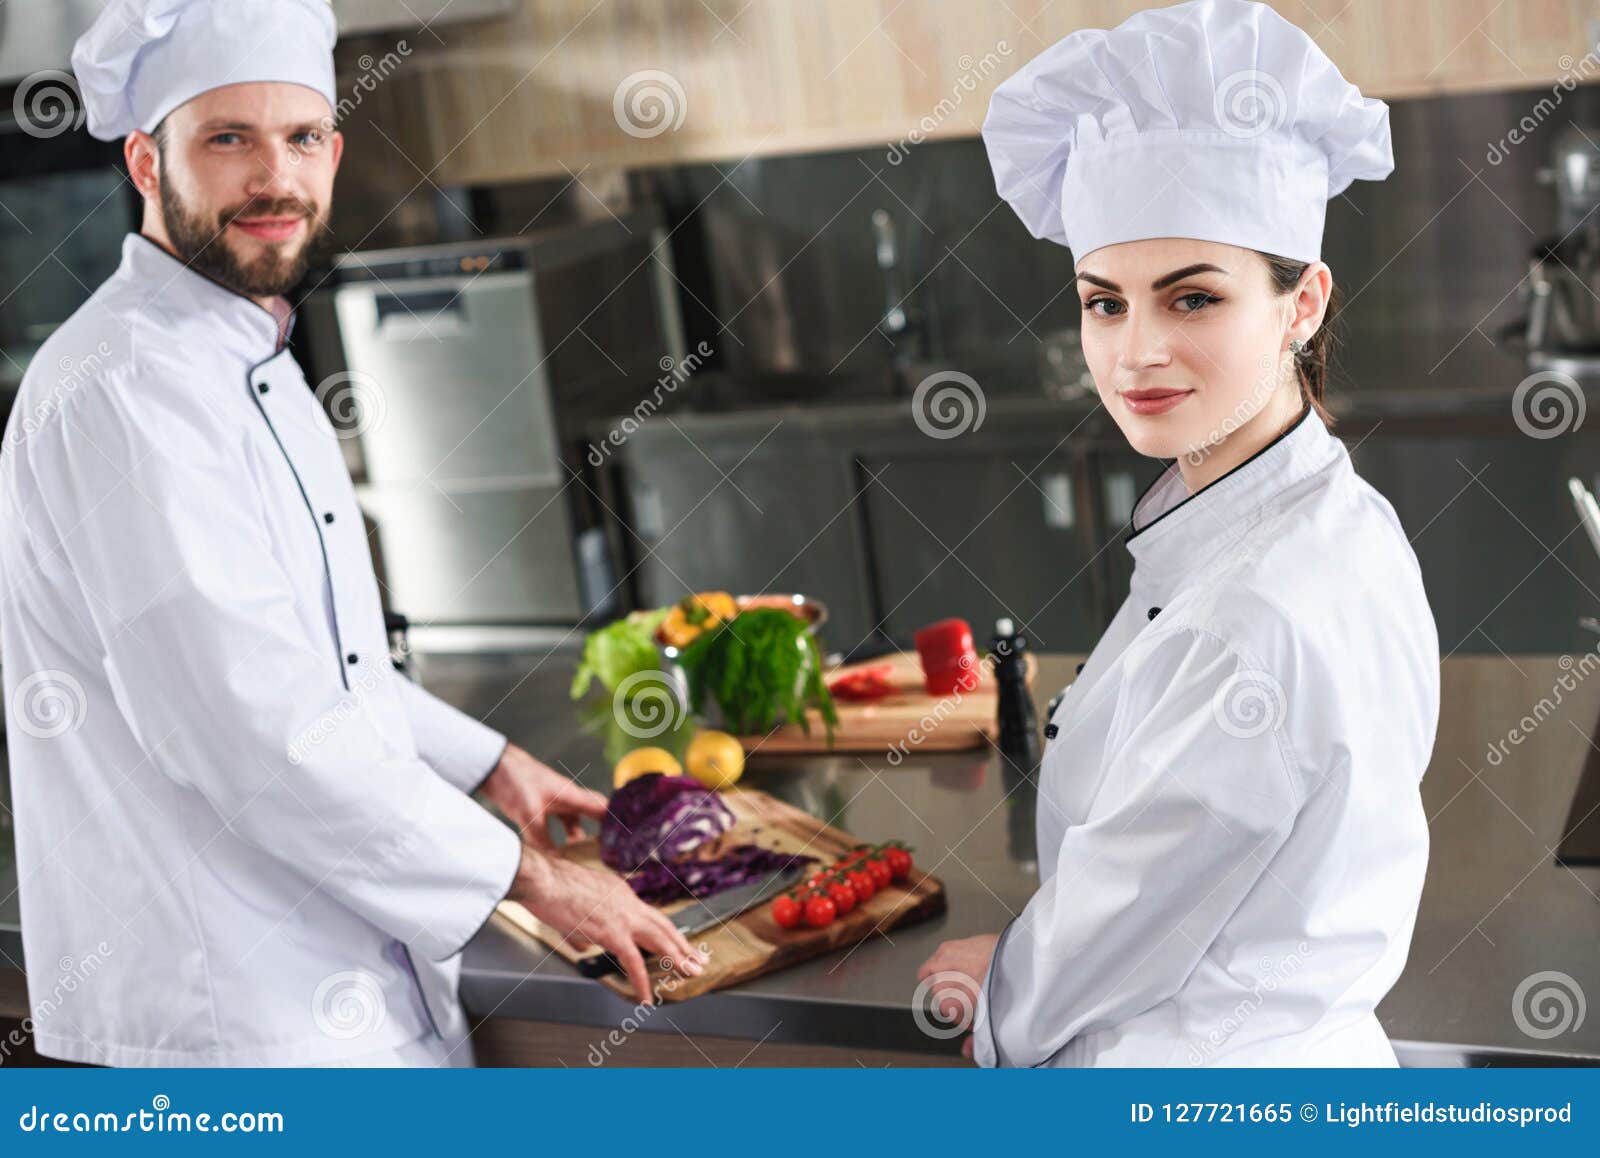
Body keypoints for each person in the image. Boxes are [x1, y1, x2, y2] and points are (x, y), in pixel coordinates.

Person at [0, 0, 700, 1068]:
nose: (274, 180)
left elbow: (315, 656)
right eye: (227, 139)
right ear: (146, 162)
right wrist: (528, 872)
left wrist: (488, 762)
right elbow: (246, 722)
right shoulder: (124, 390)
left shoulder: (245, 352)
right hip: (228, 1026)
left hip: (322, 996)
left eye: (302, 138)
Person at [917, 0, 1439, 1066]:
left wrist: (1006, 987)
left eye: (1191, 299)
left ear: (1302, 305)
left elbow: (1126, 926)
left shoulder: (1246, 612)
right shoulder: (1331, 514)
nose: (1135, 353)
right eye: (1102, 303)